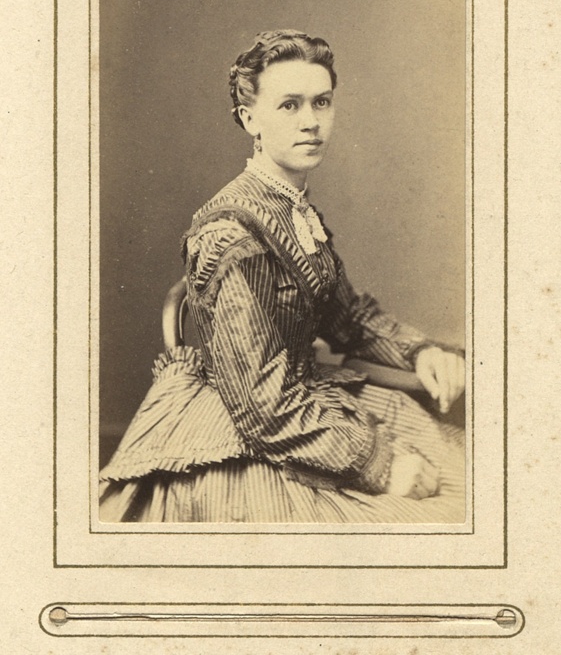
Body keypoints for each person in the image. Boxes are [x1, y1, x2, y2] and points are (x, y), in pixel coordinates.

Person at [100, 29, 465, 524]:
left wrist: (420, 350)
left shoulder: (291, 209)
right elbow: (262, 405)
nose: (311, 122)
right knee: (430, 521)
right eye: (289, 106)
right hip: (247, 430)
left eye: (321, 102)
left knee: (468, 474)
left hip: (302, 396)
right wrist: (381, 463)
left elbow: (347, 316)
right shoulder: (229, 234)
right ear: (250, 118)